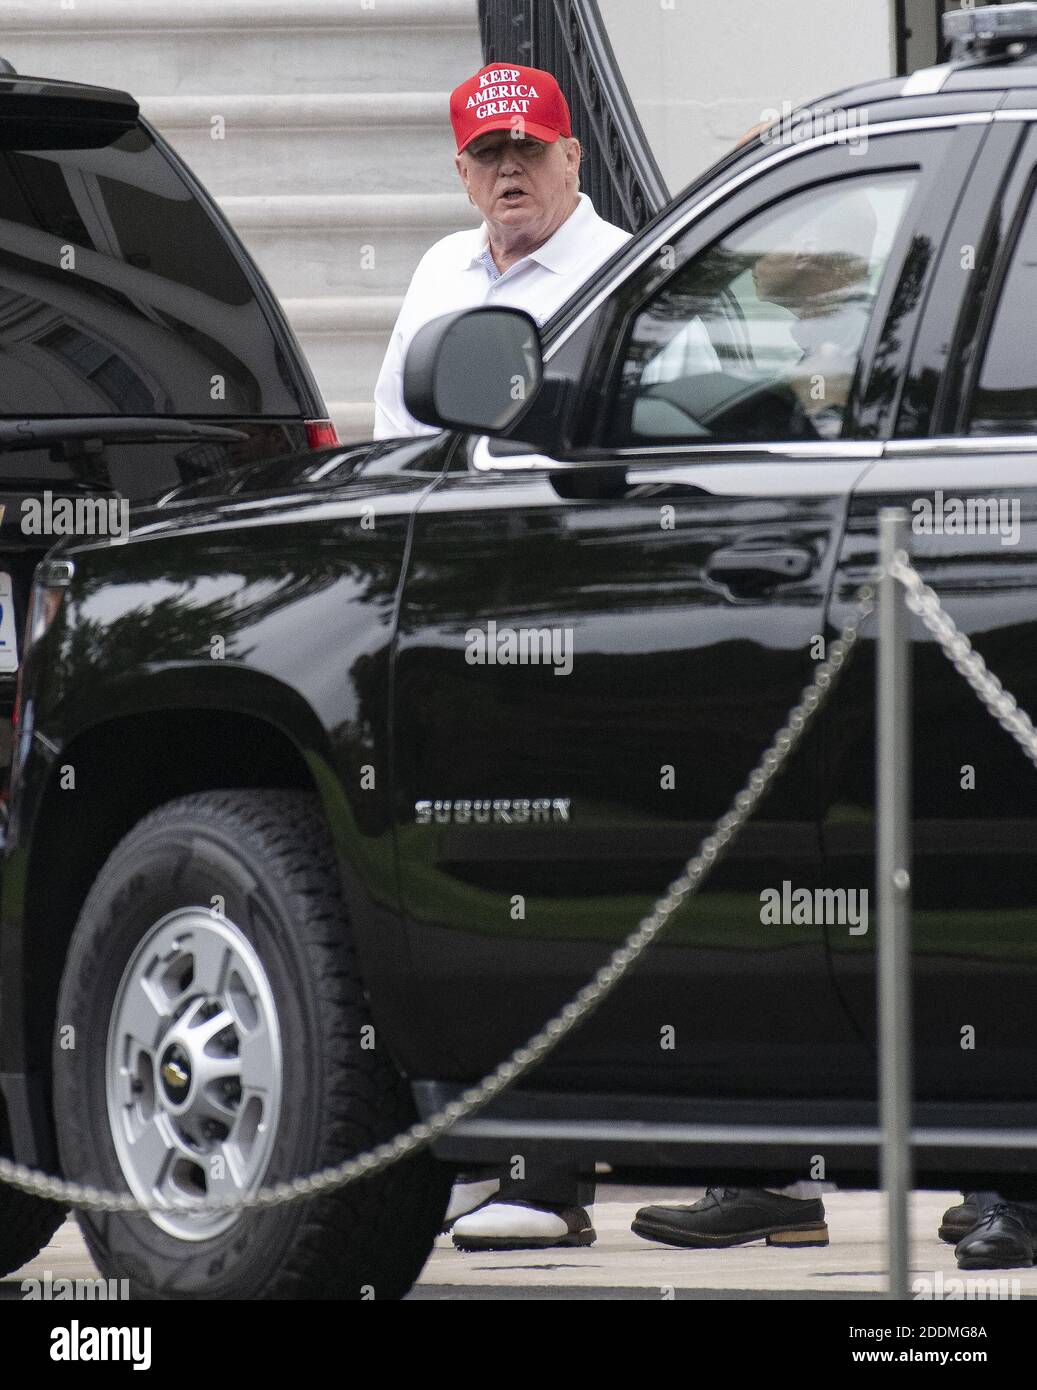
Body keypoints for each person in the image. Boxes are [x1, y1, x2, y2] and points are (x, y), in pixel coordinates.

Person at [372, 61, 630, 1251]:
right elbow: (395, 442)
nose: (511, 169)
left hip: (592, 610)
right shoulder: (437, 273)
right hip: (466, 616)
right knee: (489, 883)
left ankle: (555, 1171)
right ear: (461, 170)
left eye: (530, 146)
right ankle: (518, 1155)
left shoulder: (623, 270)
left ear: (573, 156)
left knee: (581, 879)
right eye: (488, 154)